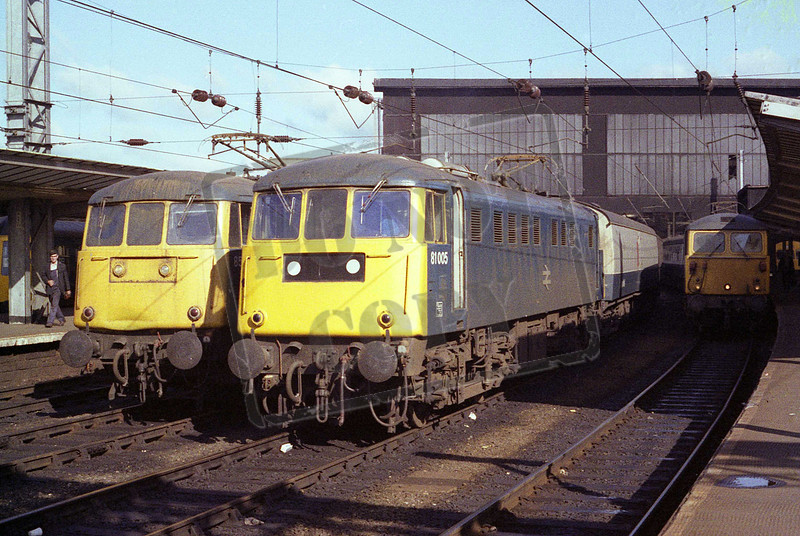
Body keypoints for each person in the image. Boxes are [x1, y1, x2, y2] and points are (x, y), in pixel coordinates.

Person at [41, 249, 71, 327]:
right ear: (50, 257)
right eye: (52, 256)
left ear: (57, 257)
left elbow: (65, 278)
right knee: (55, 305)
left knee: (54, 305)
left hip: (58, 288)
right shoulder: (47, 266)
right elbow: (43, 275)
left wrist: (68, 289)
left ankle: (50, 322)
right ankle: (61, 319)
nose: (53, 258)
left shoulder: (62, 266)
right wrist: (48, 281)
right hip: (50, 288)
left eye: (54, 256)